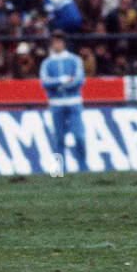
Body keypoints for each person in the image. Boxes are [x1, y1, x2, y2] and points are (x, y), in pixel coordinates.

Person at [39, 30, 85, 173]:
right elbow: (44, 82)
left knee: (79, 136)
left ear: (64, 43)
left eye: (59, 41)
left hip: (73, 102)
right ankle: (60, 168)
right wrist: (63, 80)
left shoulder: (74, 60)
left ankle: (83, 167)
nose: (56, 44)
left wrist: (57, 85)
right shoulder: (47, 63)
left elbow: (79, 80)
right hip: (56, 104)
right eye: (54, 42)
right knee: (59, 138)